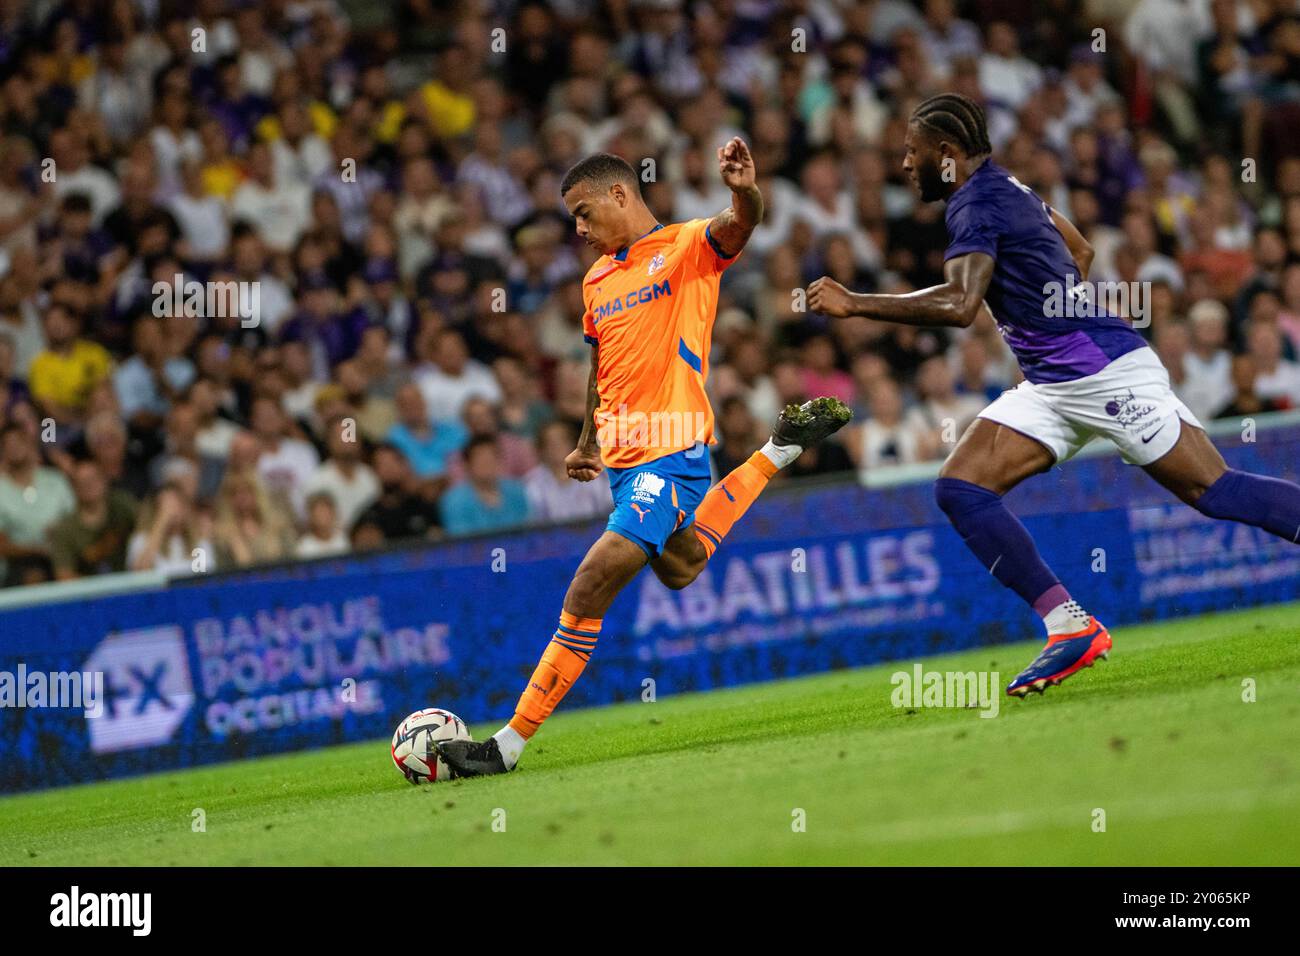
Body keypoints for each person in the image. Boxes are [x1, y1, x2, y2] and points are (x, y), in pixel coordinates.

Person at [809, 93, 1300, 698]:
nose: (905, 165)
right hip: (1055, 380)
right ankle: (1069, 626)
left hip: (1107, 375)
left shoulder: (974, 206)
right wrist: (1046, 345)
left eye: (911, 153)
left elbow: (962, 306)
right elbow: (1080, 252)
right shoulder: (1007, 186)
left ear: (946, 154)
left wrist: (857, 303)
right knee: (960, 487)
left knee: (1213, 489)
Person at [437, 143, 850, 777]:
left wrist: (744, 190)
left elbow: (740, 223)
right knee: (681, 567)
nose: (576, 229)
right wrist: (586, 439)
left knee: (590, 582)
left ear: (620, 196)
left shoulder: (686, 248)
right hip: (627, 465)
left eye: (582, 212)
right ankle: (778, 450)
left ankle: (506, 745)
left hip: (674, 453)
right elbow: (600, 364)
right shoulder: (596, 280)